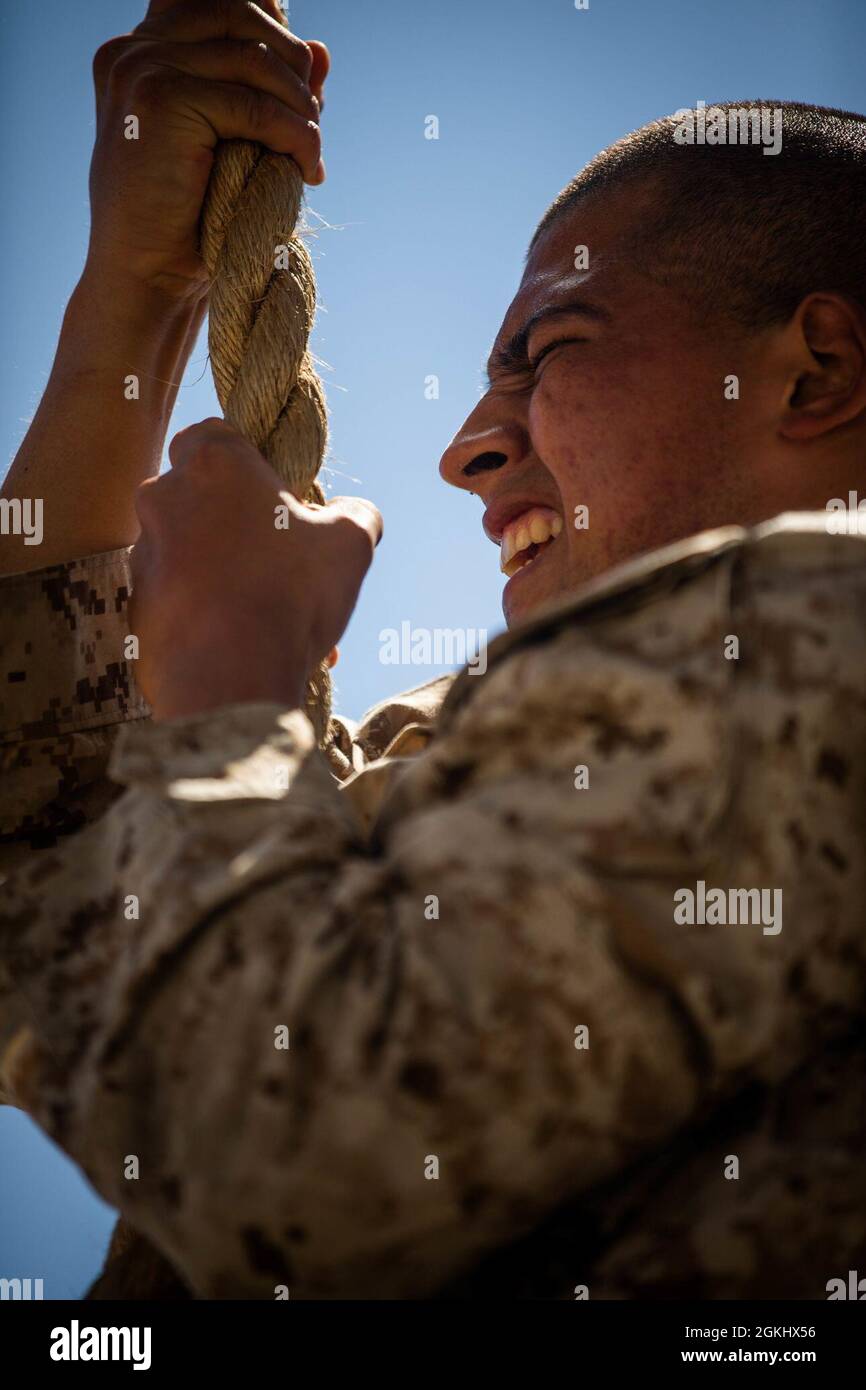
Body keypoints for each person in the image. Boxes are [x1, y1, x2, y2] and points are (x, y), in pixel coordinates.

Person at [0, 0, 864, 1299]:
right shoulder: (451, 757)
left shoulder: (830, 642)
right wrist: (134, 301)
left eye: (551, 350)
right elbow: (41, 873)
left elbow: (299, 1170)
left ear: (810, 373)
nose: (466, 448)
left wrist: (231, 681)